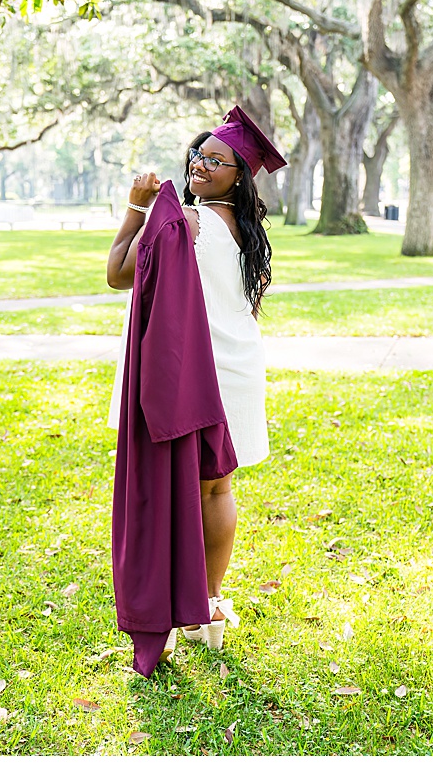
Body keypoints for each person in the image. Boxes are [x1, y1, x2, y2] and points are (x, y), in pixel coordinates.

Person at [106, 112, 278, 654]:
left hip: (190, 366)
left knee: (178, 489)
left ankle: (178, 606)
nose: (200, 165)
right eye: (198, 155)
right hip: (237, 363)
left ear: (239, 176)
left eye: (216, 161)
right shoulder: (243, 230)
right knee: (217, 486)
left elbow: (117, 273)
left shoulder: (182, 220)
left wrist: (137, 206)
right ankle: (207, 606)